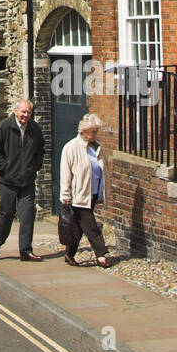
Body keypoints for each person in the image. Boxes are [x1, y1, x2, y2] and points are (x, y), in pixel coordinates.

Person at [0, 98, 45, 262]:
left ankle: (25, 251)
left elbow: (40, 149)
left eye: (28, 112)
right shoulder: (5, 127)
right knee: (7, 214)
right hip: (8, 181)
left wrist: (35, 166)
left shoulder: (34, 128)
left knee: (27, 214)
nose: (26, 115)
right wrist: (5, 168)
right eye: (23, 112)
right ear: (16, 111)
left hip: (27, 181)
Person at [60, 113, 111, 267]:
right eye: (93, 131)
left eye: (96, 131)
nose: (96, 135)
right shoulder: (71, 147)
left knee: (78, 228)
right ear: (83, 131)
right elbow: (65, 172)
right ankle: (102, 254)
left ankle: (69, 253)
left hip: (93, 193)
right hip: (79, 195)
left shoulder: (97, 148)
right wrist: (65, 194)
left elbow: (103, 169)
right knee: (90, 225)